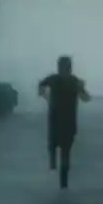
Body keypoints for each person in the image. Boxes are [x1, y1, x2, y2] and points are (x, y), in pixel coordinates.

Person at [38, 55, 91, 189]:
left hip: (58, 119)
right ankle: (62, 177)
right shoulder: (73, 81)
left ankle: (56, 166)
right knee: (64, 148)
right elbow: (86, 98)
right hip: (67, 120)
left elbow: (41, 86)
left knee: (55, 143)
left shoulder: (55, 79)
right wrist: (83, 90)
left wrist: (44, 95)